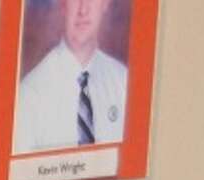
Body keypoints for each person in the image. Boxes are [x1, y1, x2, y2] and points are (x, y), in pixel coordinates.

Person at [14, 0, 127, 154]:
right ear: (62, 4)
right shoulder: (29, 96)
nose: (83, 10)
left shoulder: (123, 82)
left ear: (105, 3)